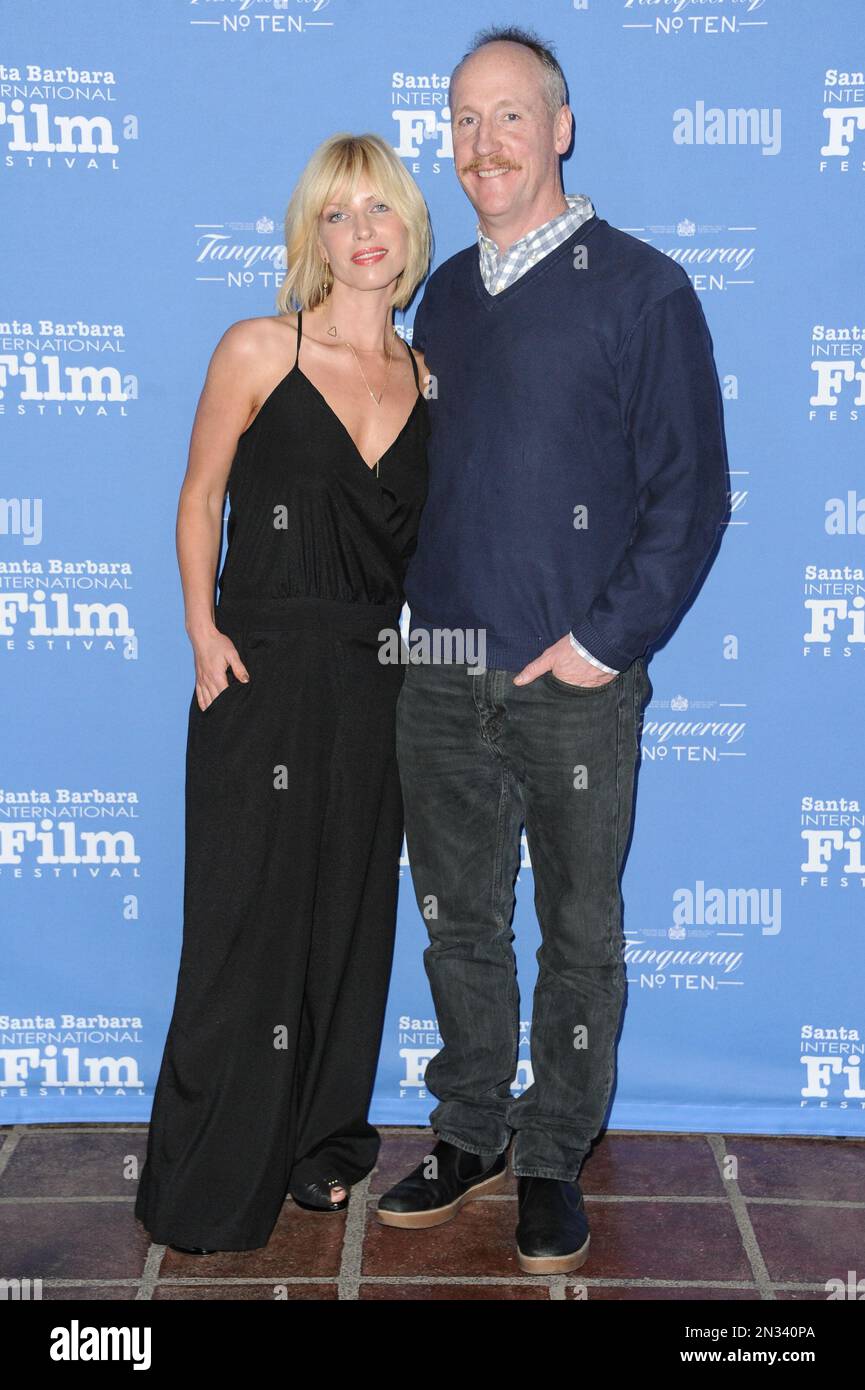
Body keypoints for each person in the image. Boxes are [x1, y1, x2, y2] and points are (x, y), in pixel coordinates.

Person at [376, 27, 730, 1274]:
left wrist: (600, 641)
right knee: (458, 924)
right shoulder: (445, 295)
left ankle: (550, 1155)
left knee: (580, 933)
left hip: (573, 687)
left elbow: (689, 497)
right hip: (440, 670)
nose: (482, 145)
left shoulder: (643, 287)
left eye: (509, 117)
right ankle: (469, 1128)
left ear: (561, 127)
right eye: (463, 121)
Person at [134, 132, 431, 1253]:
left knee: (349, 921)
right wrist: (200, 628)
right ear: (313, 235)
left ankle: (323, 1147)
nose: (362, 233)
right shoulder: (260, 346)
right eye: (338, 214)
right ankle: (208, 1172)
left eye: (381, 211)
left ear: (409, 230)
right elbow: (201, 490)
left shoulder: (428, 377)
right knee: (242, 919)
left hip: (376, 679)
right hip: (256, 669)